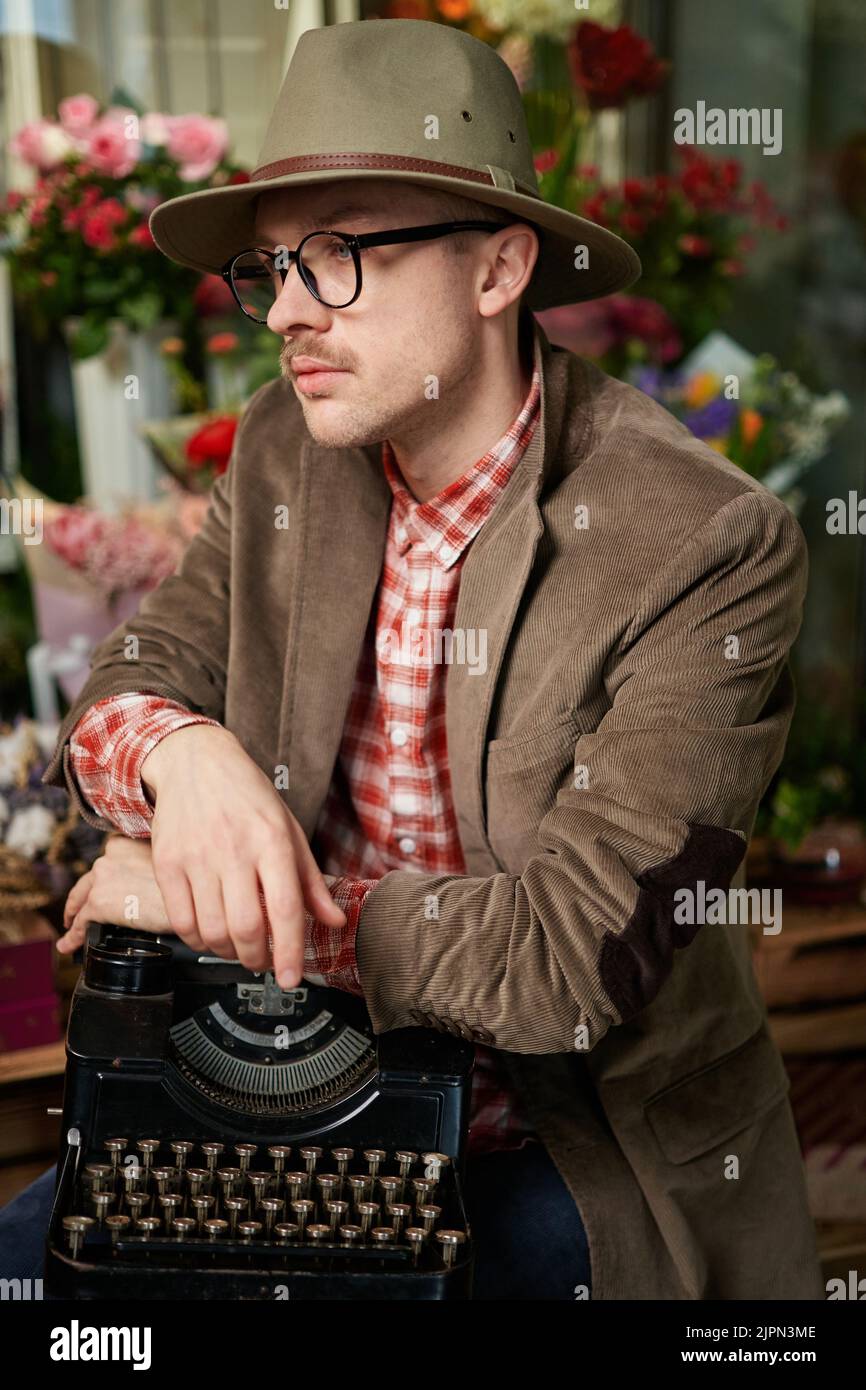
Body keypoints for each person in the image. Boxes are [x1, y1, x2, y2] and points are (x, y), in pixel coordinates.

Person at [2, 18, 822, 1300]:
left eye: (335, 258)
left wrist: (227, 905)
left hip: (562, 1142)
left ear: (497, 269)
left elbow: (567, 965)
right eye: (273, 265)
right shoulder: (286, 442)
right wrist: (183, 755)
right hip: (283, 1079)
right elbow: (137, 671)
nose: (280, 310)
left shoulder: (706, 544)